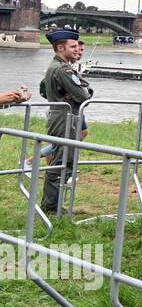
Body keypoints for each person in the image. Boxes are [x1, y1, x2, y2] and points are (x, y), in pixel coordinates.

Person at [38, 28, 93, 216]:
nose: (76, 49)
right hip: (65, 118)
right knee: (63, 160)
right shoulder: (62, 69)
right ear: (60, 48)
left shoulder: (56, 67)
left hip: (60, 115)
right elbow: (83, 94)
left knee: (61, 158)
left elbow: (44, 90)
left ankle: (51, 204)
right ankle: (51, 207)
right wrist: (81, 92)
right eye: (73, 46)